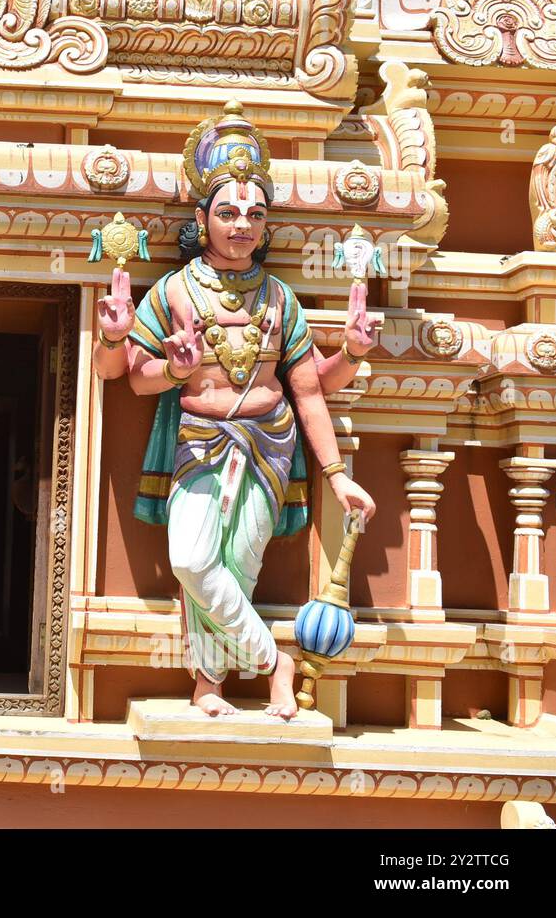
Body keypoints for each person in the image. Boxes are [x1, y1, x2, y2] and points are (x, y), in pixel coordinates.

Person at [92, 102, 379, 720]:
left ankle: (209, 684)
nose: (242, 225)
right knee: (193, 559)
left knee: (235, 569)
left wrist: (339, 466)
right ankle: (274, 662)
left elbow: (308, 390)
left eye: (255, 214)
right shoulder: (174, 290)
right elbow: (123, 378)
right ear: (202, 218)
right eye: (227, 213)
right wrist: (146, 353)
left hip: (269, 445)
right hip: (198, 440)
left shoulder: (281, 297)